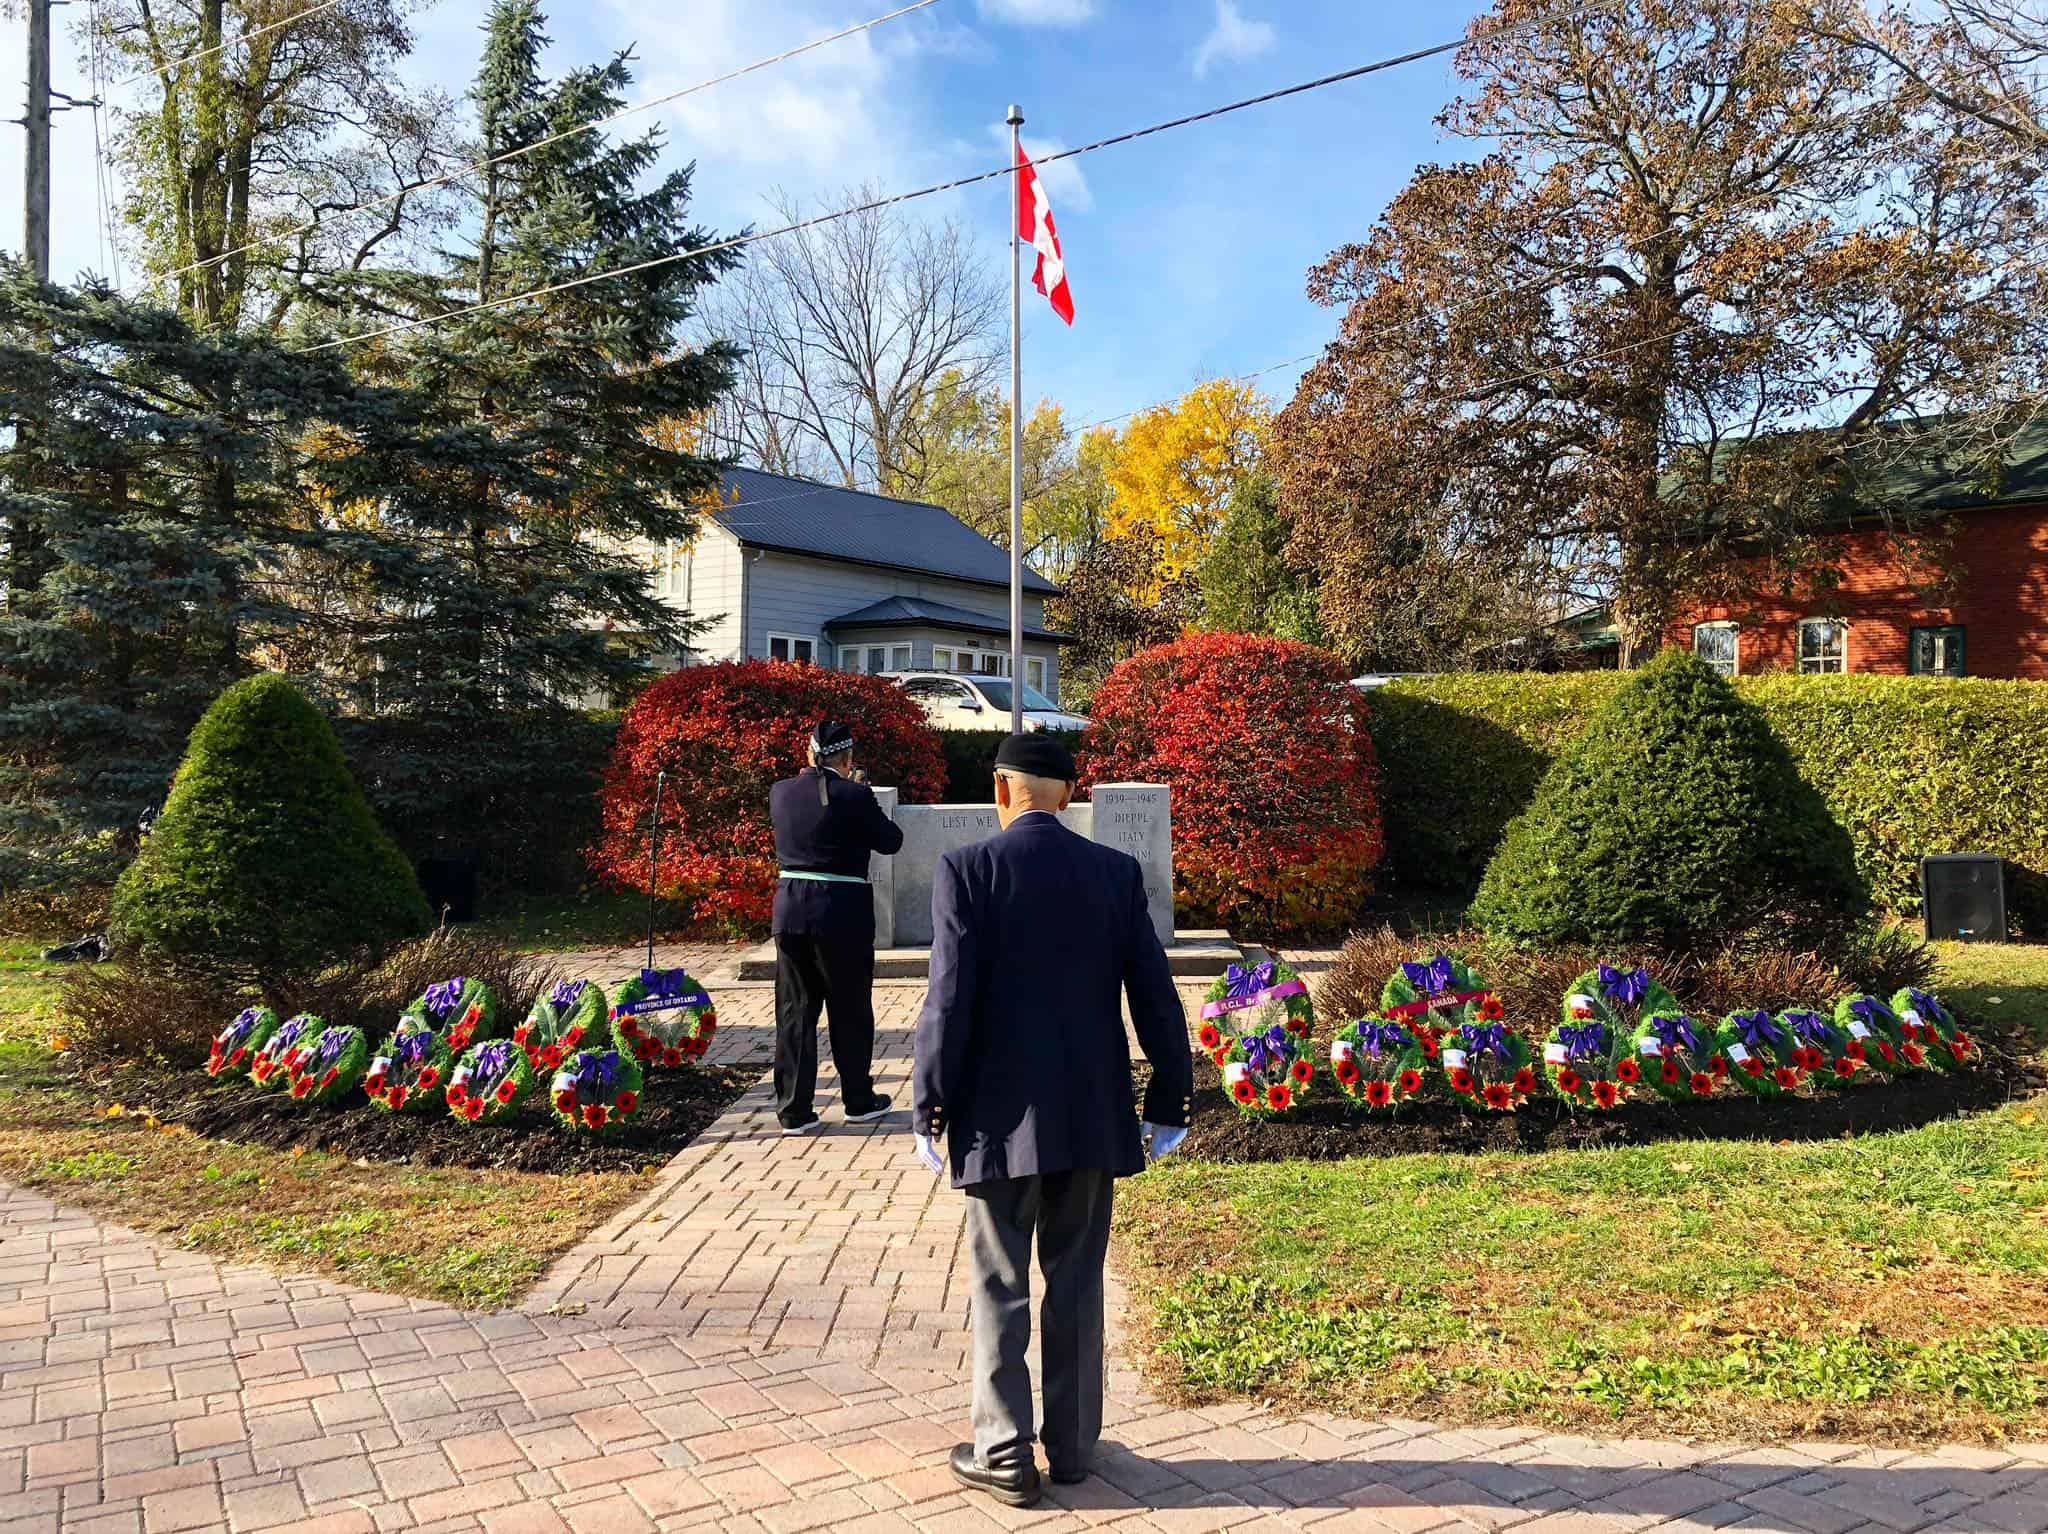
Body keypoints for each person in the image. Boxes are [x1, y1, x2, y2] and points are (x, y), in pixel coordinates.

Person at [911, 732, 1193, 1509]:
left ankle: (1003, 1450)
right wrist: (1169, 1096)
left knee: (1000, 1284)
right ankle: (1071, 1446)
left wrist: (929, 1100)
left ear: (1001, 789)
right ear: (1069, 794)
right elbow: (1156, 995)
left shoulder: (968, 869)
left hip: (996, 1119)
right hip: (1092, 1111)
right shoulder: (1113, 871)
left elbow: (948, 999)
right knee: (1076, 1279)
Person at [770, 718, 904, 1135]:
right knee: (849, 1009)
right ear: (846, 759)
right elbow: (891, 840)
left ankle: (794, 1108)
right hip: (840, 912)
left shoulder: (780, 792)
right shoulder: (855, 795)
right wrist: (864, 795)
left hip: (790, 909)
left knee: (795, 1010)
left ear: (809, 754)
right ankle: (858, 1100)